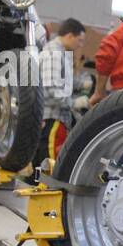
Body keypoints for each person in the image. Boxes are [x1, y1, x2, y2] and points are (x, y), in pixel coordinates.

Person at [37, 17, 87, 163]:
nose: (80, 45)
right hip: (52, 119)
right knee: (49, 166)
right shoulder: (54, 54)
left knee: (44, 165)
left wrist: (80, 84)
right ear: (70, 36)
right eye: (79, 40)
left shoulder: (60, 53)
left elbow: (61, 82)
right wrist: (73, 103)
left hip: (54, 119)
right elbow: (51, 90)